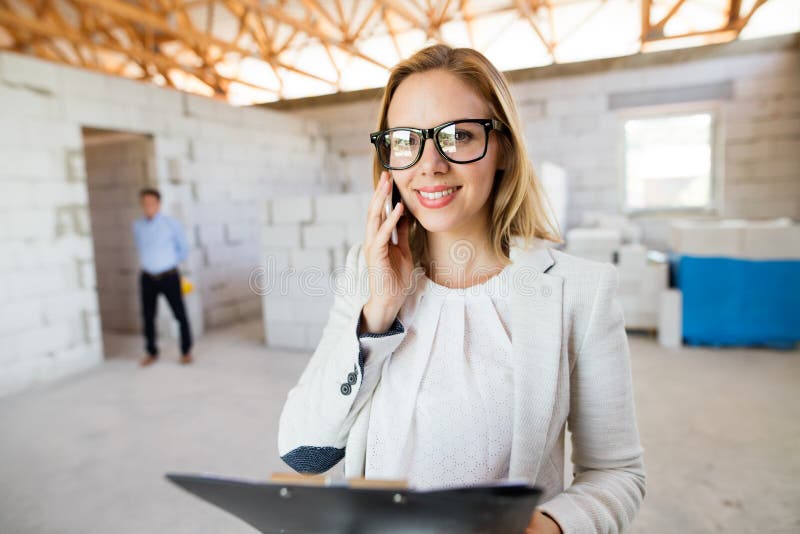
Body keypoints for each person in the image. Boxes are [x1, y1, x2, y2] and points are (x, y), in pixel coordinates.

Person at [278, 45, 645, 533]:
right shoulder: (365, 274)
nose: (429, 164)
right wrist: (378, 312)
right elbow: (303, 453)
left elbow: (616, 473)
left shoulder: (580, 292)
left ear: (503, 148)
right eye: (405, 141)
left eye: (459, 135)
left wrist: (547, 527)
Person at [133, 188, 193, 367]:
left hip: (169, 276)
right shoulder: (137, 226)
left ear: (158, 204)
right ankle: (151, 352)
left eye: (151, 203)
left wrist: (168, 262)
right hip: (147, 277)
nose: (148, 207)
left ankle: (186, 351)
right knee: (148, 317)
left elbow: (183, 249)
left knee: (180, 315)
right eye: (145, 204)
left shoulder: (171, 224)